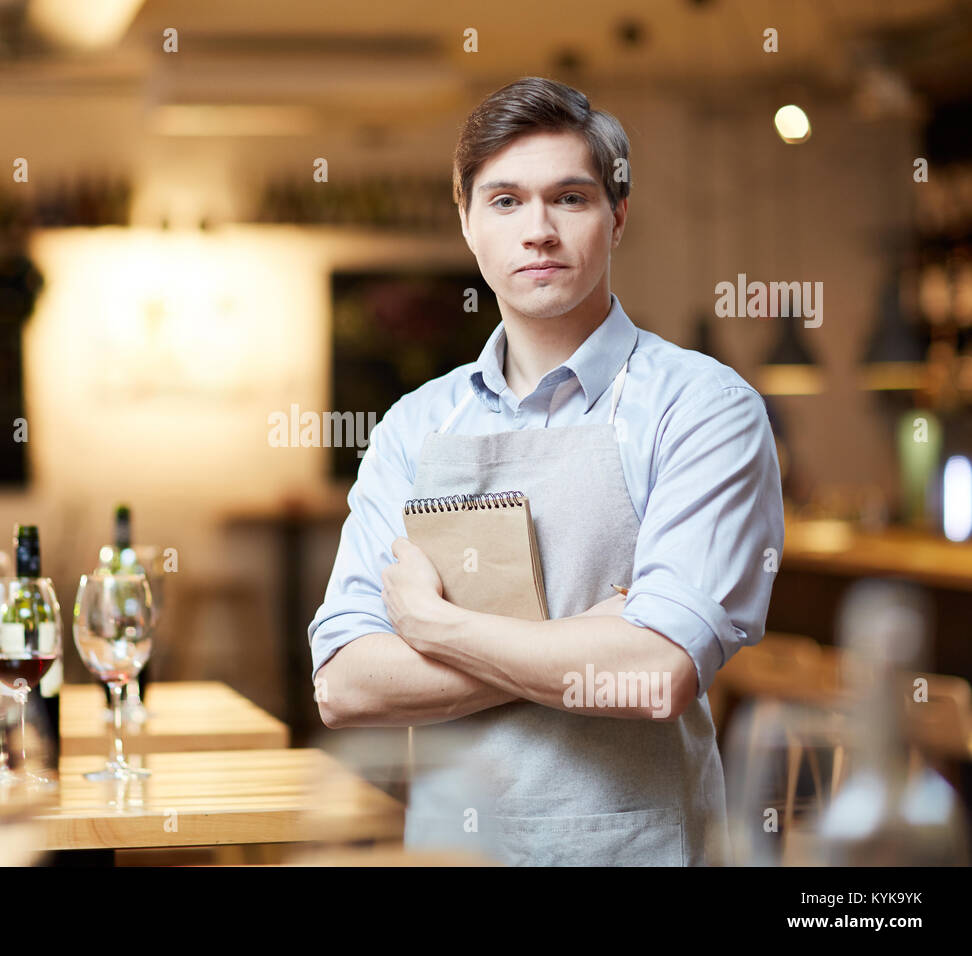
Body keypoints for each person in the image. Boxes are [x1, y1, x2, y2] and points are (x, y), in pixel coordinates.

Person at [308, 77, 784, 866]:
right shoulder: (414, 427)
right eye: (504, 201)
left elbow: (656, 678)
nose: (538, 231)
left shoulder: (704, 409)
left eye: (570, 198)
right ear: (465, 220)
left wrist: (437, 629)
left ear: (617, 216)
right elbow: (345, 685)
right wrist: (590, 635)